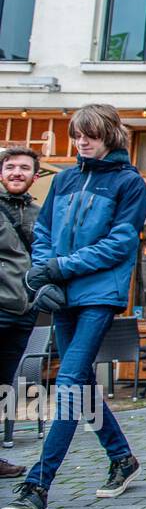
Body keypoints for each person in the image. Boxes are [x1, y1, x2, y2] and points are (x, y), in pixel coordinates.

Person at [1, 105, 146, 509]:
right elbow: (44, 231)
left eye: (91, 135)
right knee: (80, 382)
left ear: (109, 137)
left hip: (99, 293)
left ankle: (38, 485)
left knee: (67, 383)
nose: (83, 142)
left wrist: (61, 268)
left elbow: (119, 243)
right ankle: (122, 457)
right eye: (78, 135)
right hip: (62, 294)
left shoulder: (128, 182)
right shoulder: (65, 179)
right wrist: (46, 275)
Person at [0, 147, 41, 478]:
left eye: (24, 168)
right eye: (11, 167)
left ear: (34, 176)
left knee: (2, 385)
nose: (17, 172)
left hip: (24, 311)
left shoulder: (37, 214)